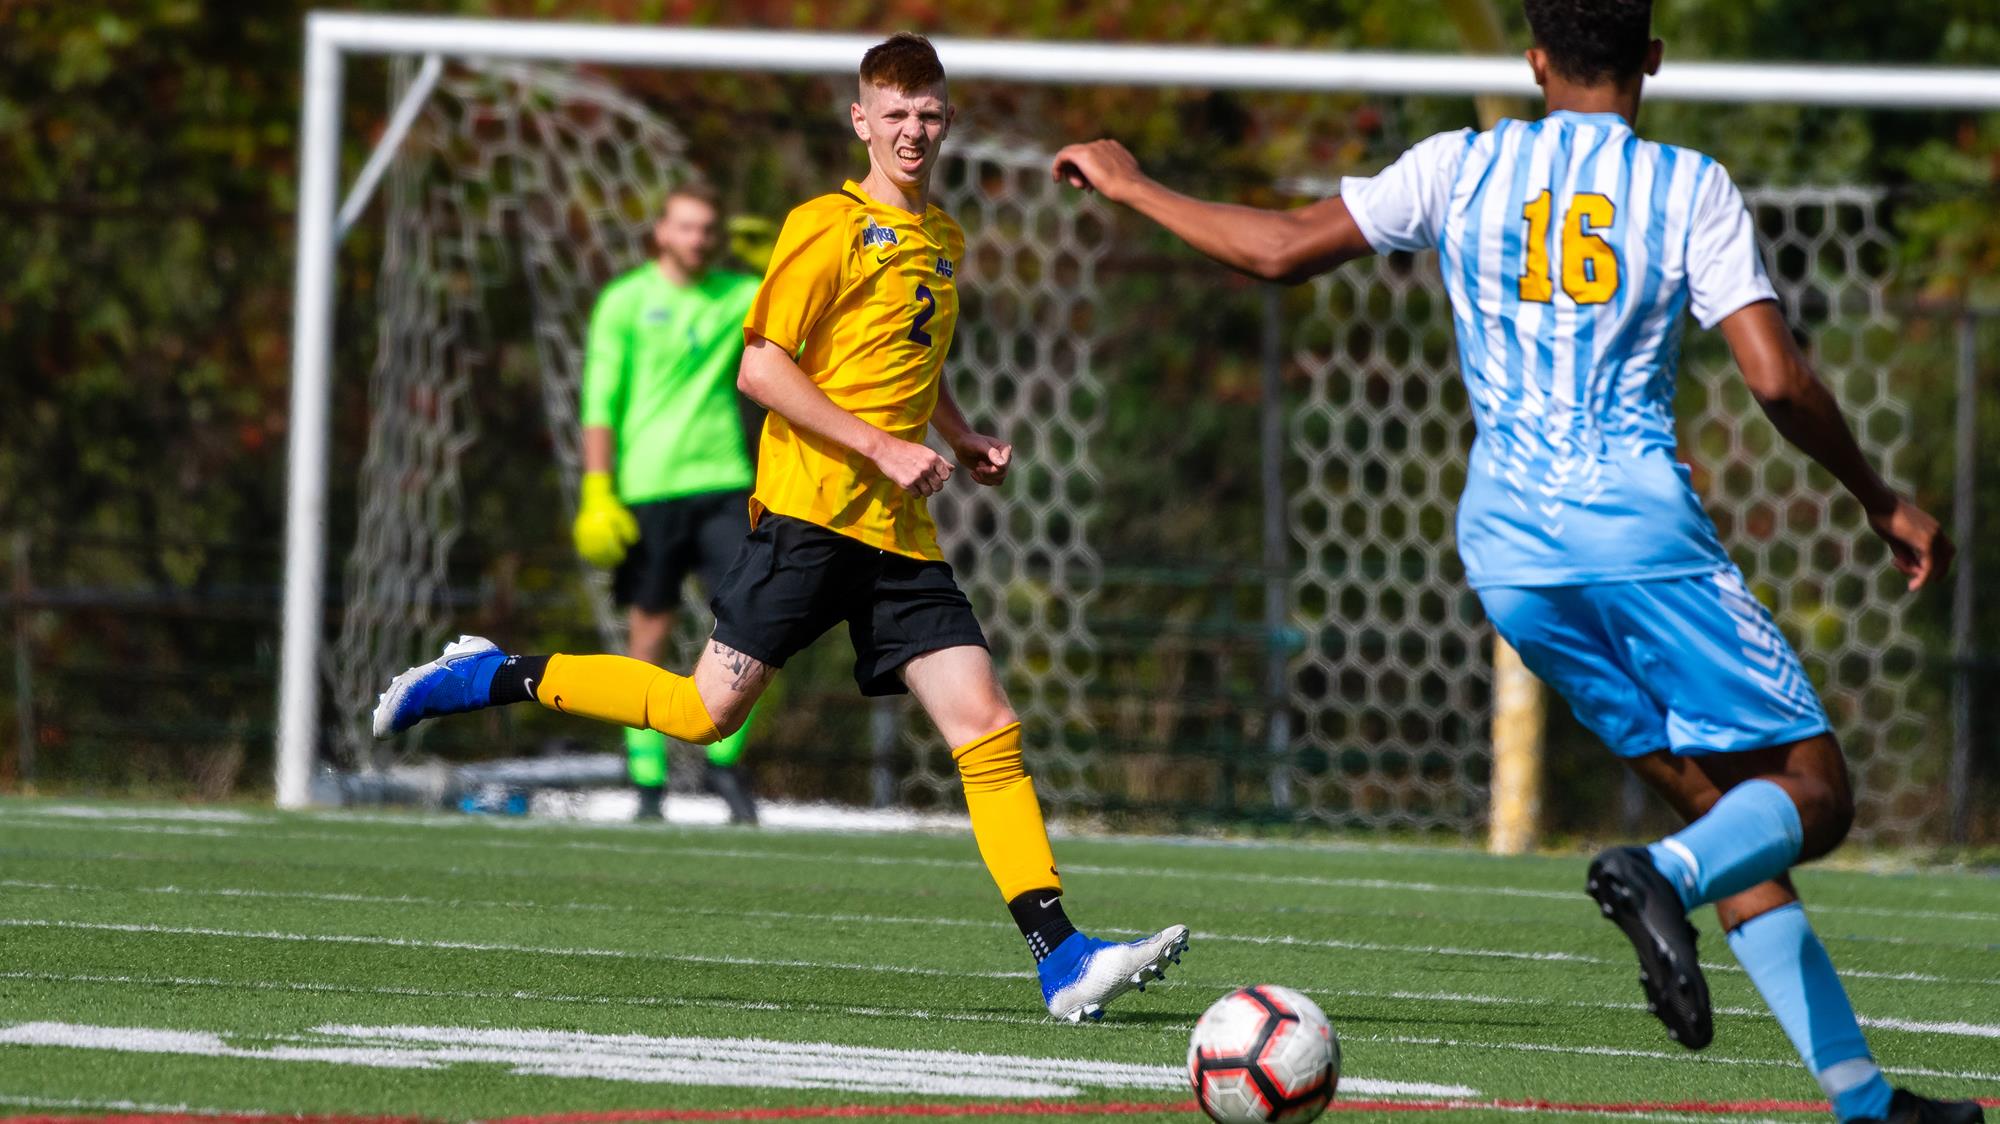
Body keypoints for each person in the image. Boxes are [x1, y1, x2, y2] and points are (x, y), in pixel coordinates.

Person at [1048, 2, 1977, 1121]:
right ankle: (1659, 879)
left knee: (1732, 817)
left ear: (1533, 61)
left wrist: (1132, 182)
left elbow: (1282, 249)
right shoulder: (1686, 185)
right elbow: (1774, 380)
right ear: (1651, 61)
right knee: (1813, 795)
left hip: (1505, 553)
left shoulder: (1458, 164)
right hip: (1635, 536)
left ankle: (1861, 1100)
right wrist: (1877, 498)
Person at [373, 31, 1187, 1024]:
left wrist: (959, 432)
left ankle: (1061, 955)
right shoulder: (824, 224)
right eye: (893, 114)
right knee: (702, 710)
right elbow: (762, 368)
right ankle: (487, 671)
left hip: (897, 535)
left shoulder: (943, 237)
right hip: (809, 517)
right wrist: (884, 450)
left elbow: (898, 360)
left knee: (987, 725)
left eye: (927, 113)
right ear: (860, 120)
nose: (912, 131)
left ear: (947, 119)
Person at [574, 182, 763, 824]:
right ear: (660, 232)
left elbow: (799, 313)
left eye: (708, 228)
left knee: (757, 624)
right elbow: (600, 403)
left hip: (723, 484)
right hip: (647, 490)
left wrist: (777, 266)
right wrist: (597, 489)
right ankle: (648, 781)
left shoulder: (739, 296)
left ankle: (724, 766)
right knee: (646, 636)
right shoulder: (624, 302)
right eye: (686, 227)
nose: (698, 238)